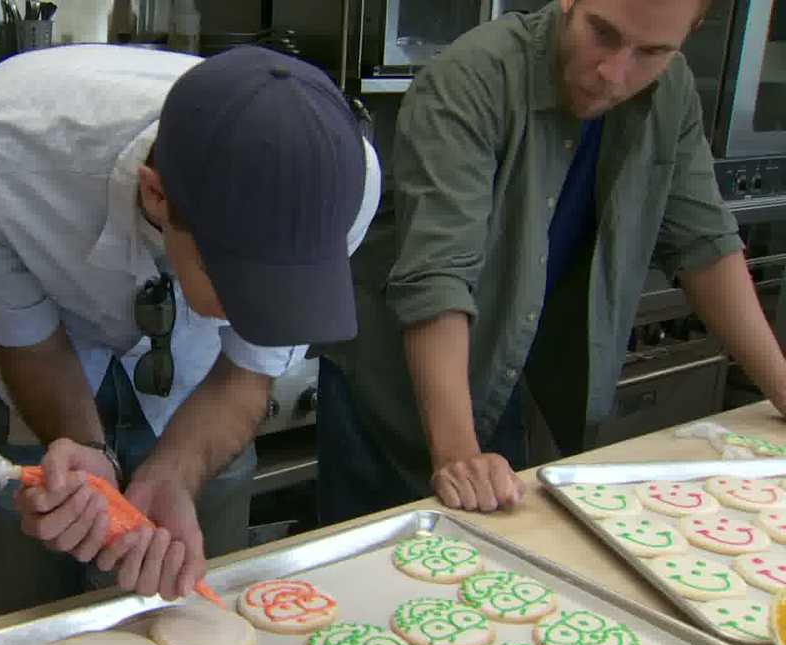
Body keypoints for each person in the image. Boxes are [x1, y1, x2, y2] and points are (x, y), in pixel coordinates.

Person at [0, 44, 380, 618]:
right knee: (21, 612)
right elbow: (31, 343)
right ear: (156, 193)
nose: (250, 314)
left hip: (201, 388)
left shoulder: (342, 181)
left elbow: (246, 371)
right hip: (44, 362)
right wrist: (86, 451)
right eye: (236, 284)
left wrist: (176, 475)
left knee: (196, 618)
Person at [317, 0, 786, 522]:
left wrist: (782, 387)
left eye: (651, 52)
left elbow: (705, 244)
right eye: (602, 33)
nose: (614, 74)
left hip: (505, 365)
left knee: (493, 562)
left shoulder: (670, 92)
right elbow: (437, 274)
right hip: (399, 378)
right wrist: (458, 456)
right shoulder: (474, 77)